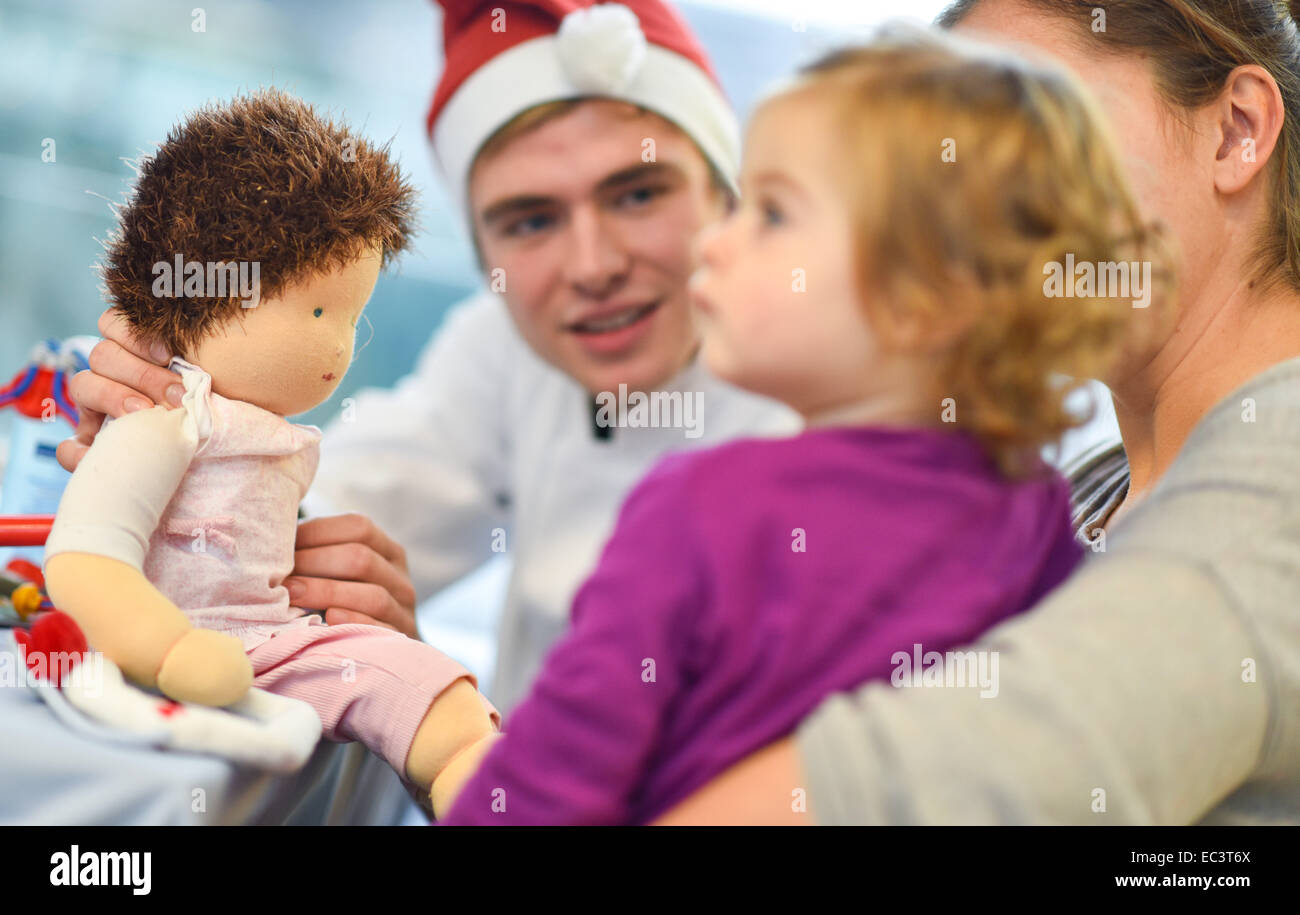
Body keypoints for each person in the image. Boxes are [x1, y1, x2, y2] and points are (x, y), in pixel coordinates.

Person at [437, 25, 1162, 825]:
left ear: (927, 296)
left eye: (772, 214)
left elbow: (539, 793)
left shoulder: (695, 508)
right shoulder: (1039, 516)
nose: (715, 242)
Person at [654, 0, 1300, 825]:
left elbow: (876, 798)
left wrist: (449, 732)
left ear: (1236, 129)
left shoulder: (1280, 472)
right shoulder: (1089, 489)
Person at [55, 0, 798, 717]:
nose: (593, 265)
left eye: (637, 194)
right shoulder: (508, 349)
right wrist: (183, 438)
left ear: (727, 199)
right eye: (531, 219)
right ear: (484, 253)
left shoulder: (838, 404)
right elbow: (337, 495)